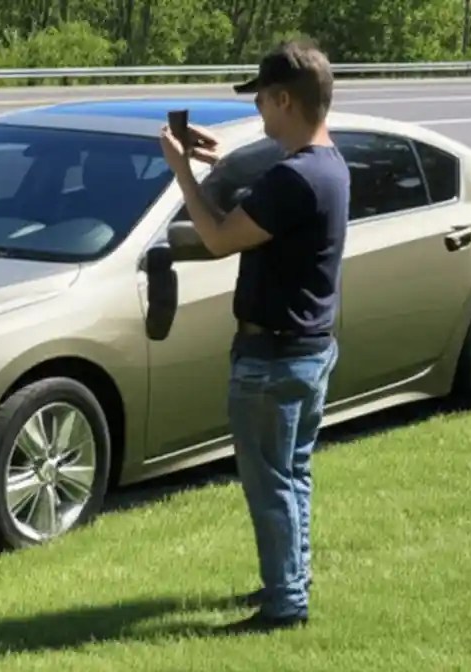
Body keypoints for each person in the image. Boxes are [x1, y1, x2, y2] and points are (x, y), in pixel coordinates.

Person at [158, 39, 350, 634]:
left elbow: (217, 238)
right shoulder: (328, 163)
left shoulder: (292, 179)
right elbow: (278, 196)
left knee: (269, 484)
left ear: (285, 99)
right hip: (308, 350)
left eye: (264, 103)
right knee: (292, 475)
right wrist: (219, 162)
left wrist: (182, 172)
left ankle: (284, 605)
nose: (260, 115)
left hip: (272, 358)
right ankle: (291, 579)